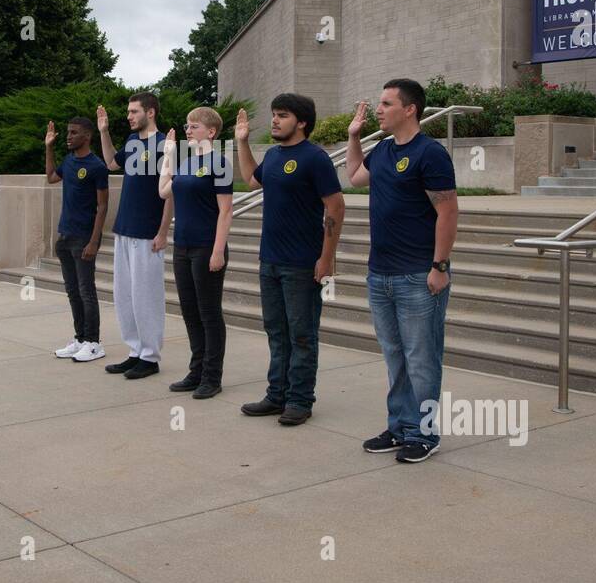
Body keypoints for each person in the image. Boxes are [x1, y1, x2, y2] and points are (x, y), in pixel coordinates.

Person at [346, 80, 458, 463]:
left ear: (409, 109)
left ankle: (424, 434)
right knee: (395, 355)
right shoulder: (383, 150)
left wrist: (439, 266)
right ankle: (400, 427)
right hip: (381, 273)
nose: (378, 109)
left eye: (386, 103)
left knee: (422, 358)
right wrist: (354, 136)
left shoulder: (431, 154)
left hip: (417, 274)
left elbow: (448, 211)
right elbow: (355, 177)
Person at [233, 94, 344, 426]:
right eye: (274, 115)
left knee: (301, 333)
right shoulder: (274, 154)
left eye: (282, 115)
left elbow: (336, 207)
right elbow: (253, 180)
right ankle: (276, 395)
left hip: (302, 262)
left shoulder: (315, 158)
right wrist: (242, 142)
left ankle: (300, 399)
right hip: (270, 259)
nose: (275, 120)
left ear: (302, 122)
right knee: (276, 331)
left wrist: (326, 258)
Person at [158, 107, 233, 399]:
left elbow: (226, 211)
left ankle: (212, 377)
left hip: (206, 247)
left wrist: (217, 251)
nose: (188, 130)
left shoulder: (220, 163)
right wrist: (167, 154)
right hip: (183, 247)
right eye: (187, 126)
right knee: (190, 311)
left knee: (209, 312)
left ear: (211, 132)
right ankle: (197, 370)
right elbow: (164, 192)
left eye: (194, 126)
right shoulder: (186, 164)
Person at [96, 92, 172, 380]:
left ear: (150, 112)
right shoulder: (131, 141)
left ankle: (150, 357)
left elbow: (170, 192)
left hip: (148, 232)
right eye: (128, 111)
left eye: (133, 111)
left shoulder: (165, 144)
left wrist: (163, 231)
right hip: (124, 228)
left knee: (146, 296)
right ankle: (135, 351)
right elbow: (111, 164)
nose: (128, 116)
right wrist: (104, 132)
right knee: (125, 295)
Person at [46, 117, 109, 363]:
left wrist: (94, 241)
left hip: (84, 237)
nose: (68, 136)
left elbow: (102, 206)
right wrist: (49, 146)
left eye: (74, 133)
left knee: (86, 291)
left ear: (87, 137)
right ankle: (80, 339)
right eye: (68, 132)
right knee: (73, 291)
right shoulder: (69, 160)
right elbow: (51, 177)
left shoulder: (96, 166)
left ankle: (94, 343)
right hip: (66, 235)